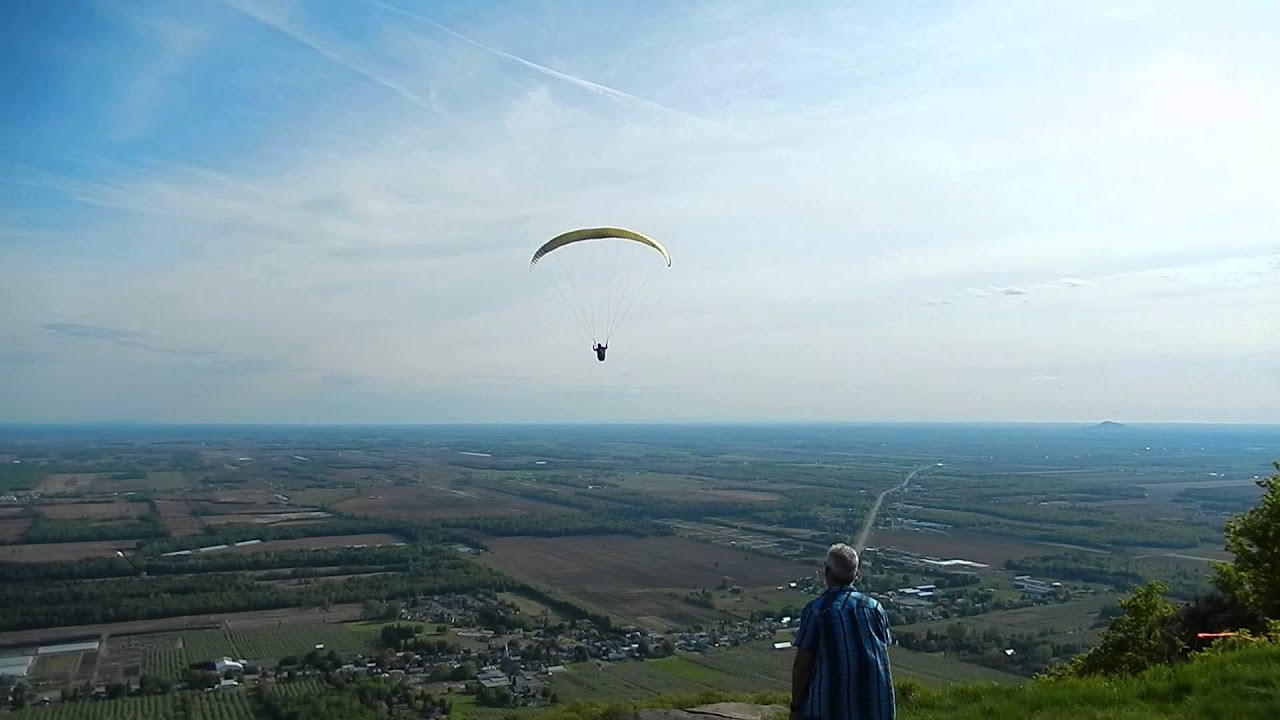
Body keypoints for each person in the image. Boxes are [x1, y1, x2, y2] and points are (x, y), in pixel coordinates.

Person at [791, 543, 895, 720]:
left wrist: (795, 707)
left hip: (828, 709)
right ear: (856, 575)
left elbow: (803, 664)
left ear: (827, 573)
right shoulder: (875, 608)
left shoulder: (817, 611)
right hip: (876, 709)